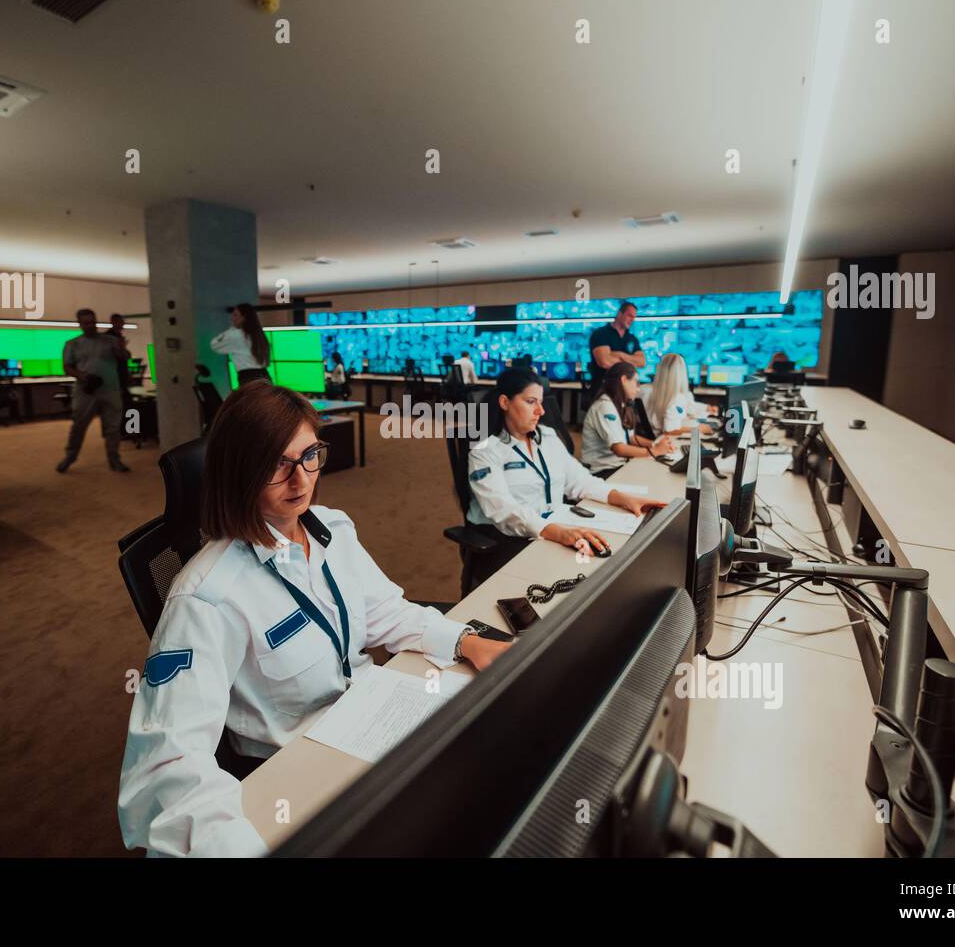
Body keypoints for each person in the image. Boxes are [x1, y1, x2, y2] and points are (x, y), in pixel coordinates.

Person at [118, 382, 510, 857]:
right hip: (300, 763)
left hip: (370, 719)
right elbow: (168, 764)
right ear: (238, 472)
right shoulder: (205, 598)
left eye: (309, 456)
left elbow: (383, 611)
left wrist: (468, 641)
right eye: (276, 465)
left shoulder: (332, 528)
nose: (301, 480)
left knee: (494, 761)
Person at [465, 368, 665, 588]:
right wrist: (557, 533)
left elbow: (580, 480)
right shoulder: (485, 451)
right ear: (505, 402)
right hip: (508, 537)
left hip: (553, 526)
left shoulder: (548, 437)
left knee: (605, 566)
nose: (541, 411)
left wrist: (624, 498)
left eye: (541, 402)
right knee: (572, 583)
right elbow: (504, 510)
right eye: (531, 402)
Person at [58, 308, 130, 473]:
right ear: (80, 324)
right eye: (86, 323)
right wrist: (81, 375)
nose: (91, 325)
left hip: (110, 389)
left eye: (93, 321)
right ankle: (70, 456)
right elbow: (67, 367)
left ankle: (114, 459)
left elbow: (125, 357)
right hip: (86, 391)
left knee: (113, 427)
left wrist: (120, 349)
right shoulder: (72, 344)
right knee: (79, 425)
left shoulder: (110, 340)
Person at [581, 362, 676, 477]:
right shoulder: (605, 406)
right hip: (602, 471)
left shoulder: (619, 403)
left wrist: (655, 444)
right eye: (636, 383)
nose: (638, 389)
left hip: (618, 465)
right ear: (624, 380)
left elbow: (630, 438)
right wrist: (654, 451)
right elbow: (619, 449)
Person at [647, 353, 714, 436]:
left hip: (656, 438)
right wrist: (698, 429)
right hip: (665, 441)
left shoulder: (650, 391)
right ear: (682, 372)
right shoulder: (676, 397)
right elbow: (670, 430)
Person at [588, 301, 646, 389]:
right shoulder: (601, 334)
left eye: (634, 317)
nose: (632, 320)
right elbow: (605, 362)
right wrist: (630, 362)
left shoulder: (632, 339)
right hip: (602, 389)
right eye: (629, 316)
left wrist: (619, 355)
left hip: (624, 391)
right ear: (619, 314)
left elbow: (642, 362)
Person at [210, 303, 271, 386]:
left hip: (248, 377)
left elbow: (215, 345)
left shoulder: (236, 335)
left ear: (244, 318)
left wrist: (232, 328)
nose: (232, 318)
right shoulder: (259, 335)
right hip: (265, 376)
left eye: (235, 315)